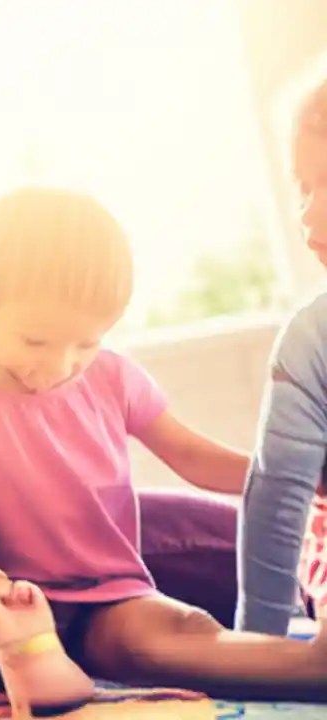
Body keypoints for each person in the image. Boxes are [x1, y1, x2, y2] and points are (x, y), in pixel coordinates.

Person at [0, 187, 327, 716]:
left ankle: (312, 666)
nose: (61, 365)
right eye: (36, 341)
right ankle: (28, 652)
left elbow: (192, 457)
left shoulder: (115, 378)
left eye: (85, 343)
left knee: (178, 633)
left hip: (106, 596)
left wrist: (300, 477)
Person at [238, 57, 327, 637]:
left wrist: (257, 648)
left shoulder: (313, 337)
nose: (309, 216)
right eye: (303, 187)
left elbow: (275, 506)